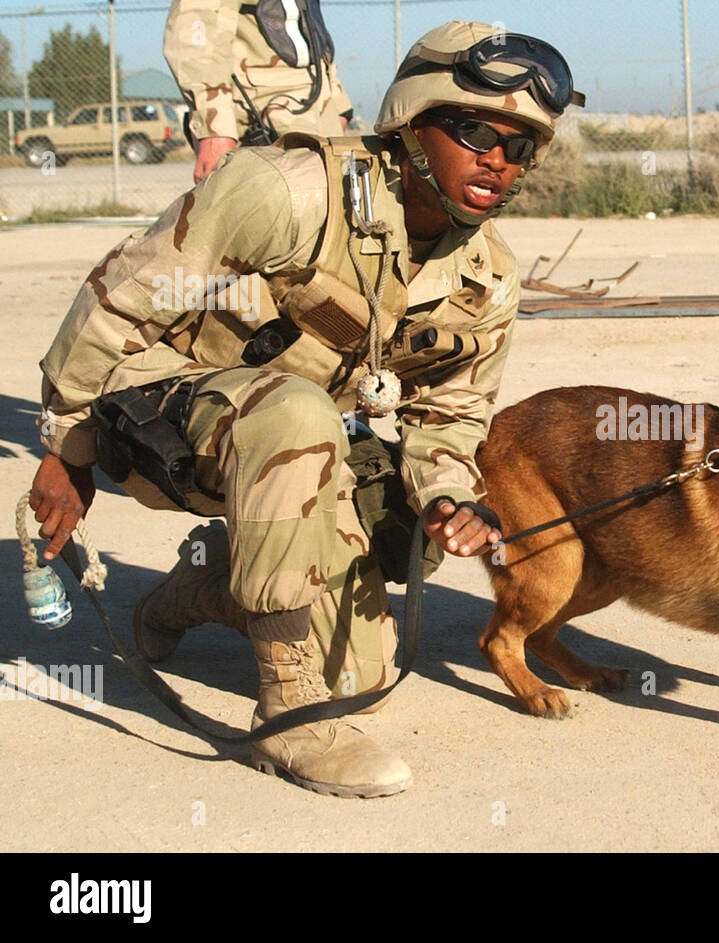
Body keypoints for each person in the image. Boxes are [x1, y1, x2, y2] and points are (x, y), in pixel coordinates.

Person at [29, 20, 584, 798]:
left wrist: (448, 496)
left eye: (522, 146)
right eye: (474, 132)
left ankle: (205, 587)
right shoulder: (290, 190)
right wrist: (64, 447)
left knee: (369, 662)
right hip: (161, 415)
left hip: (286, 454)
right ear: (413, 123)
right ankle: (291, 716)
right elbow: (119, 299)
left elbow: (450, 417)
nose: (499, 159)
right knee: (297, 411)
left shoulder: (486, 277)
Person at [163, 0, 355, 182]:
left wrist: (337, 103)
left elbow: (307, 22)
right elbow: (198, 23)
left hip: (314, 117)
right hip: (262, 125)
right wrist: (215, 130)